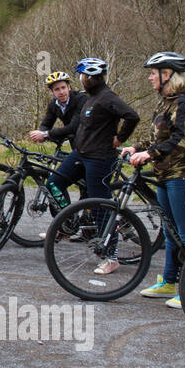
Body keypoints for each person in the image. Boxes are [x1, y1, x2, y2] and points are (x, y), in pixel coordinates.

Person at [119, 53, 185, 307]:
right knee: (170, 232)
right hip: (166, 176)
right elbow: (156, 139)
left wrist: (150, 154)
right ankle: (169, 281)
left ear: (166, 74)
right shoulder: (165, 103)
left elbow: (180, 140)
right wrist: (135, 148)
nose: (149, 77)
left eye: (152, 72)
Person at [47, 57, 139, 271]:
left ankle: (111, 257)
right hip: (80, 154)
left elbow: (132, 116)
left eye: (82, 76)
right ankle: (68, 223)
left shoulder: (107, 97)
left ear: (90, 77)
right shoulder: (90, 98)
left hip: (100, 158)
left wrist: (120, 138)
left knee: (101, 207)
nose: (80, 80)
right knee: (53, 183)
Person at [30, 71, 88, 211]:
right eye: (57, 89)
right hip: (76, 146)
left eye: (63, 87)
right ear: (52, 92)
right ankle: (64, 225)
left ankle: (88, 225)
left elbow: (74, 127)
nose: (61, 92)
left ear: (69, 87)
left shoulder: (81, 99)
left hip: (88, 146)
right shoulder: (54, 105)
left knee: (88, 188)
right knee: (57, 183)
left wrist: (46, 134)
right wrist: (40, 134)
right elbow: (46, 123)